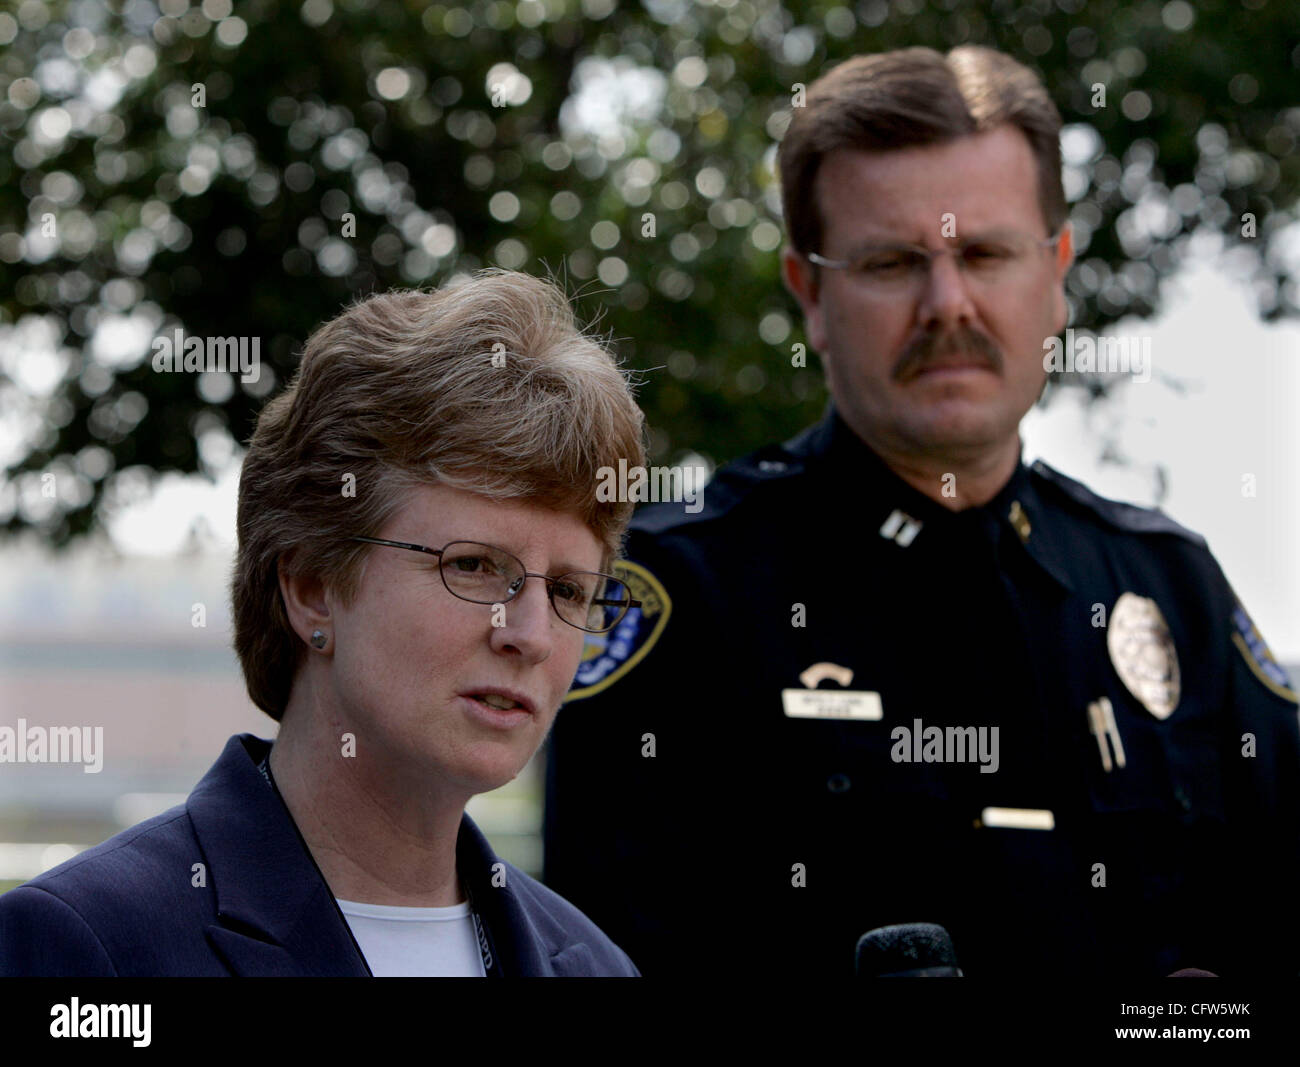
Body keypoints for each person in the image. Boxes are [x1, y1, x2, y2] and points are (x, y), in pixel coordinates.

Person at [543, 45, 1300, 978]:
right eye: (894, 261)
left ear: (1057, 272)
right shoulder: (677, 598)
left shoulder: (1172, 586)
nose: (949, 304)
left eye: (985, 253)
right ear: (811, 294)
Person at [0, 270, 645, 977]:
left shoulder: (596, 968)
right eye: (475, 566)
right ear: (312, 586)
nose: (531, 633)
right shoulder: (87, 947)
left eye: (569, 590)